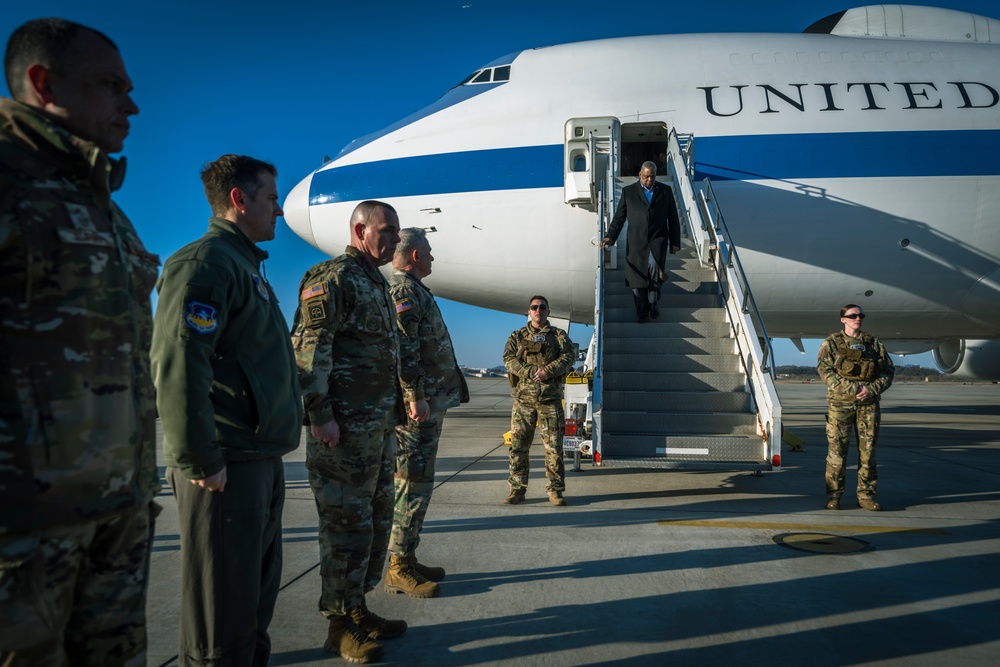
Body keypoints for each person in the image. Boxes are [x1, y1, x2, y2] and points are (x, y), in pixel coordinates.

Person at [0, 18, 160, 666]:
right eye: (112, 85)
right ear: (44, 84)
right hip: (24, 532)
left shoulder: (103, 204)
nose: (132, 103)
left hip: (117, 511)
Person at [150, 155, 304, 665]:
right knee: (222, 613)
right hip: (225, 465)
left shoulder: (245, 266)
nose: (278, 212)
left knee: (252, 602)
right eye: (271, 199)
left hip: (258, 455)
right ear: (239, 200)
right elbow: (179, 363)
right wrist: (200, 457)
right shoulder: (205, 264)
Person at [292, 200, 406, 664]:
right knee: (344, 529)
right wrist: (320, 414)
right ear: (360, 229)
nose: (396, 239)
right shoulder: (332, 277)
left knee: (374, 526)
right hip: (342, 435)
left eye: (398, 232)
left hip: (375, 432)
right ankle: (338, 626)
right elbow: (309, 350)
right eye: (388, 230)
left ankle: (357, 608)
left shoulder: (376, 282)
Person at [385, 228, 469, 599]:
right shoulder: (404, 291)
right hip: (418, 408)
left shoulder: (414, 290)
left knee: (419, 482)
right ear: (416, 256)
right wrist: (415, 396)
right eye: (429, 252)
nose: (433, 257)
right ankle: (398, 566)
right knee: (411, 484)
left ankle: (407, 556)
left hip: (428, 403)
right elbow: (405, 349)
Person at [817, 304, 895, 511]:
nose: (857, 318)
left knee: (868, 453)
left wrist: (872, 389)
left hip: (868, 405)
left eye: (860, 315)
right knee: (837, 453)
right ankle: (834, 495)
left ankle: (866, 496)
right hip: (840, 405)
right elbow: (825, 371)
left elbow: (887, 372)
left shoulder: (873, 343)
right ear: (843, 319)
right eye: (852, 316)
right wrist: (852, 389)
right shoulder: (831, 343)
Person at [502, 296, 576, 506]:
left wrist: (547, 371)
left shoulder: (558, 336)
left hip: (549, 401)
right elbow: (508, 359)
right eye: (534, 307)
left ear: (548, 311)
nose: (538, 311)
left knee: (553, 448)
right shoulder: (517, 336)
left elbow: (568, 357)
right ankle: (517, 489)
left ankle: (555, 491)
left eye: (542, 307)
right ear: (529, 311)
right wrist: (529, 371)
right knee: (518, 447)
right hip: (523, 401)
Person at [600, 161, 681, 322]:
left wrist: (675, 242)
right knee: (637, 280)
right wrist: (610, 236)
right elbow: (619, 218)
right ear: (640, 175)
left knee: (653, 270)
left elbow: (673, 218)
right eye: (645, 177)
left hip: (657, 241)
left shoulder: (665, 191)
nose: (649, 180)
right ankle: (642, 313)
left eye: (652, 177)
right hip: (636, 243)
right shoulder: (628, 192)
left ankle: (652, 303)